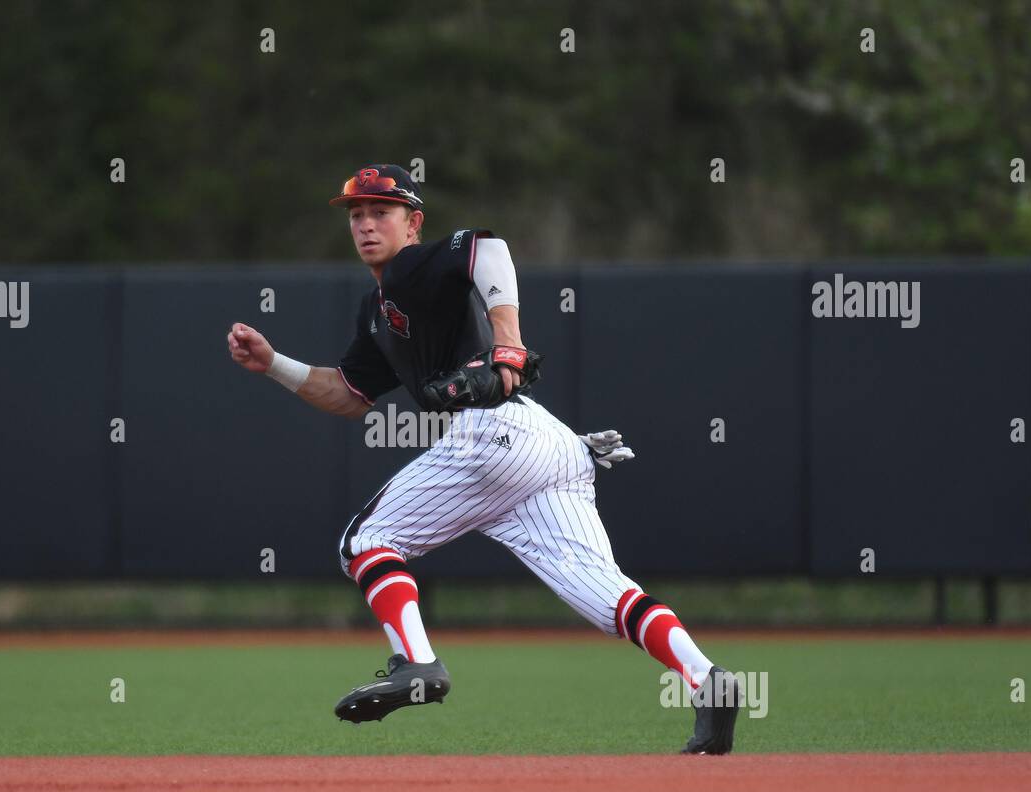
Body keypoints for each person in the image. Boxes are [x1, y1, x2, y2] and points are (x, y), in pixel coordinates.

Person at [227, 164, 741, 753]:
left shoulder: (414, 266)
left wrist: (508, 340)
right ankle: (708, 681)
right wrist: (274, 364)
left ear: (413, 222)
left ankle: (417, 663)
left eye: (381, 211)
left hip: (494, 435)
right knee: (609, 599)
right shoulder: (377, 309)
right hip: (544, 444)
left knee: (365, 542)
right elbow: (347, 394)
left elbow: (488, 247)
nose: (366, 224)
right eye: (356, 214)